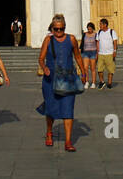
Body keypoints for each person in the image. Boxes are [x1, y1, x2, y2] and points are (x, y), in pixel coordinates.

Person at [37, 14, 86, 151]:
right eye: (56, 29)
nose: (59, 32)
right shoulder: (48, 40)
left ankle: (68, 141)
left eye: (61, 29)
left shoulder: (71, 39)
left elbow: (77, 56)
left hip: (68, 78)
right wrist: (44, 67)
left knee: (68, 108)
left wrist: (83, 72)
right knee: (50, 108)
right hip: (50, 79)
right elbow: (41, 58)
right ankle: (49, 132)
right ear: (52, 28)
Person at [95, 18, 118, 89]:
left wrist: (114, 51)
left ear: (105, 25)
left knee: (110, 69)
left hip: (109, 53)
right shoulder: (99, 32)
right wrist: (97, 52)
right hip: (101, 54)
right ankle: (102, 81)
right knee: (99, 69)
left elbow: (115, 42)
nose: (100, 26)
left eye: (101, 24)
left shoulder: (111, 32)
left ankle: (110, 83)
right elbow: (97, 42)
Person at [80, 22, 98, 88]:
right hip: (85, 52)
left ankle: (93, 82)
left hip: (93, 52)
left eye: (90, 29)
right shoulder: (84, 34)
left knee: (93, 68)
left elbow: (97, 44)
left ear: (93, 29)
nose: (89, 30)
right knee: (85, 68)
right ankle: (87, 82)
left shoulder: (96, 35)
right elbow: (82, 44)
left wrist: (97, 54)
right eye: (88, 29)